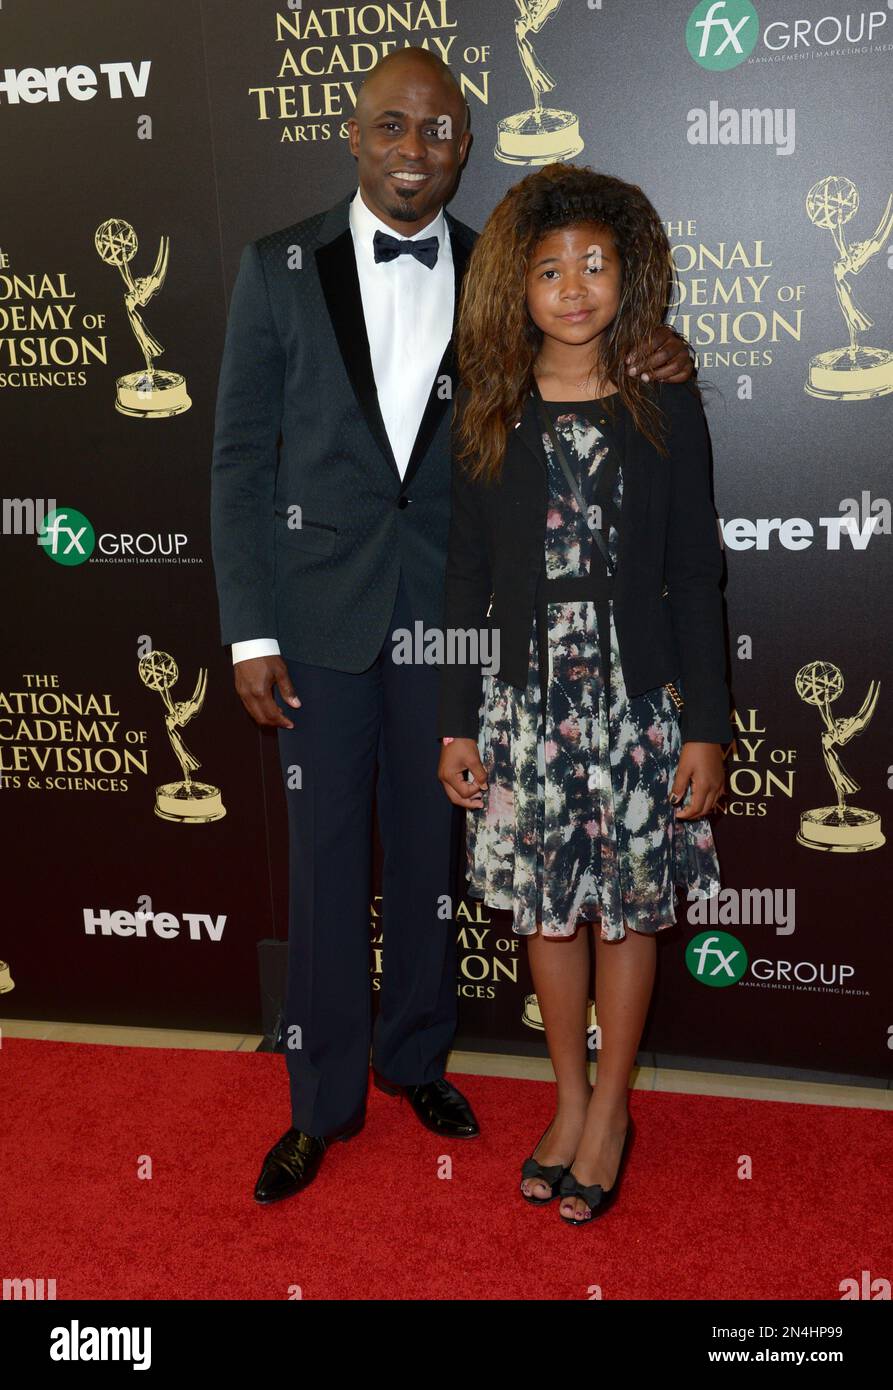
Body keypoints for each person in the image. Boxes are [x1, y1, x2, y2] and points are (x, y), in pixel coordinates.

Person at [210, 49, 698, 1207]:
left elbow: (587, 353)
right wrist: (246, 631)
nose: (414, 148)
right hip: (319, 620)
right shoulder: (276, 266)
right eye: (392, 125)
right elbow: (239, 457)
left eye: (437, 130)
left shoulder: (504, 271)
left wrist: (651, 349)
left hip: (456, 623)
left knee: (431, 854)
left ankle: (415, 1059)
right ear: (352, 133)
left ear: (463, 145)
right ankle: (319, 1103)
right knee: (327, 869)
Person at [436, 163, 733, 1224]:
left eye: (593, 264)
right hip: (522, 705)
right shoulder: (492, 404)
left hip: (636, 702)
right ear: (516, 282)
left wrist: (705, 724)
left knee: (626, 913)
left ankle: (610, 1110)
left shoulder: (664, 395)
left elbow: (695, 570)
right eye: (550, 267)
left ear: (627, 273)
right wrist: (453, 722)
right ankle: (563, 1098)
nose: (572, 287)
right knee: (549, 915)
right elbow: (462, 574)